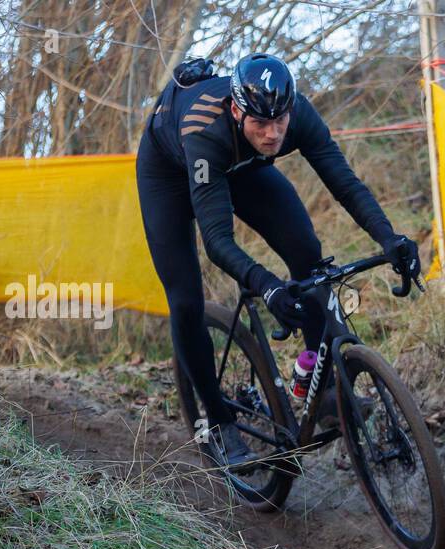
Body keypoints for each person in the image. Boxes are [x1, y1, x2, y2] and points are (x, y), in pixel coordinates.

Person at [135, 53, 420, 469]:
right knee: (185, 299)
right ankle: (218, 423)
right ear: (237, 110)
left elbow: (343, 181)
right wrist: (266, 285)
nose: (272, 135)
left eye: (279, 123)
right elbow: (216, 240)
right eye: (261, 124)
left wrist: (389, 236)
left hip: (239, 164)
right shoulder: (205, 128)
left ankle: (319, 390)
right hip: (171, 173)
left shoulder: (295, 113)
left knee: (306, 249)